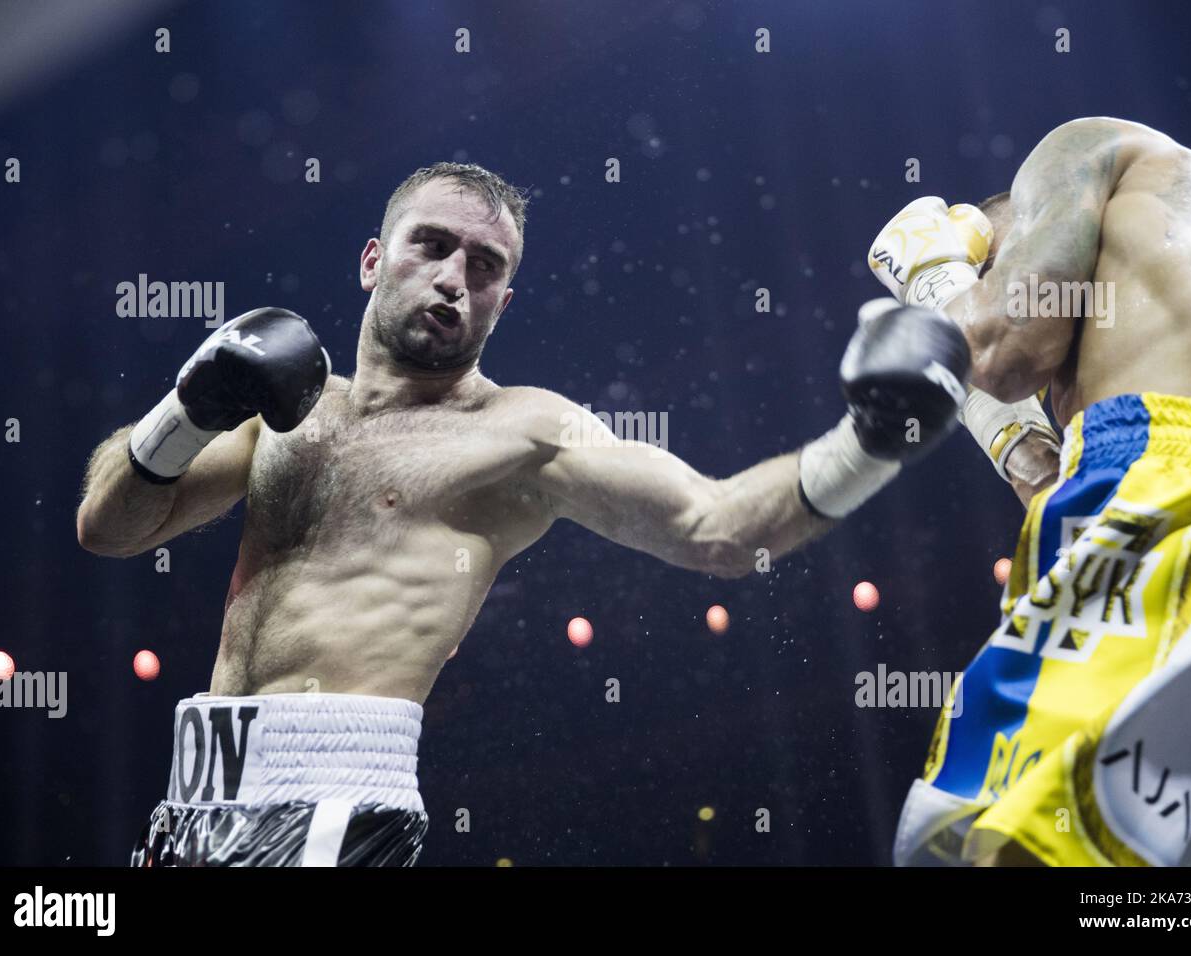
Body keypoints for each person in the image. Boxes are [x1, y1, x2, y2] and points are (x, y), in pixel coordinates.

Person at [78, 162, 973, 866]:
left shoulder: (525, 432)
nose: (452, 279)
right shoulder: (283, 413)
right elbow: (109, 530)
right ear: (372, 260)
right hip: (190, 795)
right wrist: (183, 412)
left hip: (333, 797)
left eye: (485, 266)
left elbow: (718, 529)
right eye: (430, 245)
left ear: (505, 299)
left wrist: (872, 442)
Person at [868, 118, 1191, 866]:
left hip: (1181, 475)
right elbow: (1050, 484)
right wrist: (1012, 437)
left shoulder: (1088, 146)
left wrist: (935, 281)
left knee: (989, 838)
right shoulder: (1171, 299)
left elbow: (1002, 345)